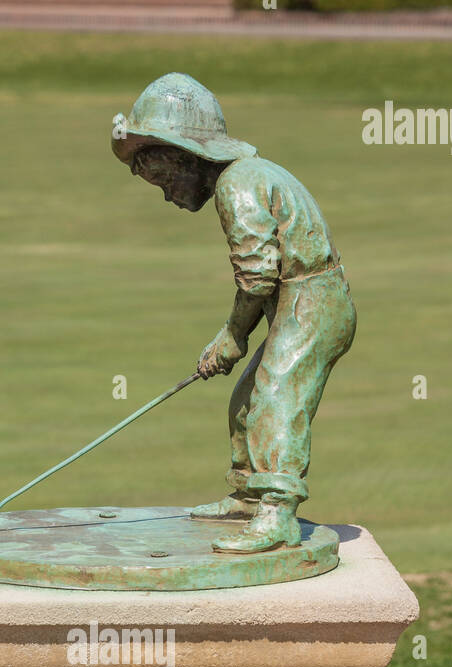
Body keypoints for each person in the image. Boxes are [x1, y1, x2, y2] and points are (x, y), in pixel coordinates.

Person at [113, 73, 357, 553]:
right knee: (246, 399)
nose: (166, 194)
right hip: (299, 300)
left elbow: (257, 278)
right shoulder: (249, 174)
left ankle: (277, 513)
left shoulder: (237, 185)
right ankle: (249, 495)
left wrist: (231, 335)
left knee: (275, 399)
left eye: (163, 178)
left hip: (312, 302)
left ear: (187, 157)